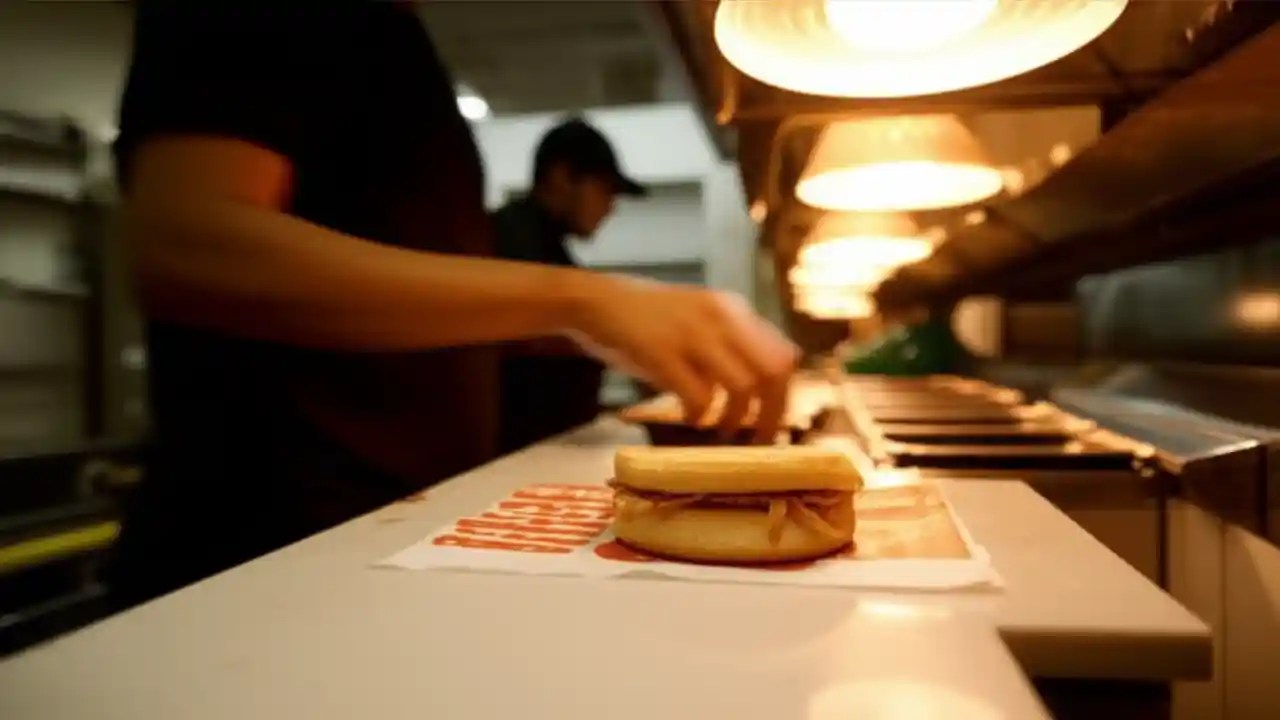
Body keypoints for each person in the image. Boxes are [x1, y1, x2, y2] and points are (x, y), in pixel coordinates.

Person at [109, 0, 796, 604]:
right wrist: (582, 300)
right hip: (258, 558)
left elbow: (439, 312)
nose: (611, 207)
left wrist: (610, 324)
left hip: (391, 538)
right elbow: (187, 243)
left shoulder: (399, 41)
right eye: (606, 190)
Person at [493, 119, 643, 452]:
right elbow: (516, 327)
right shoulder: (507, 236)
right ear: (562, 177)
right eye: (606, 190)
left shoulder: (550, 248)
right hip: (508, 452)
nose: (611, 206)